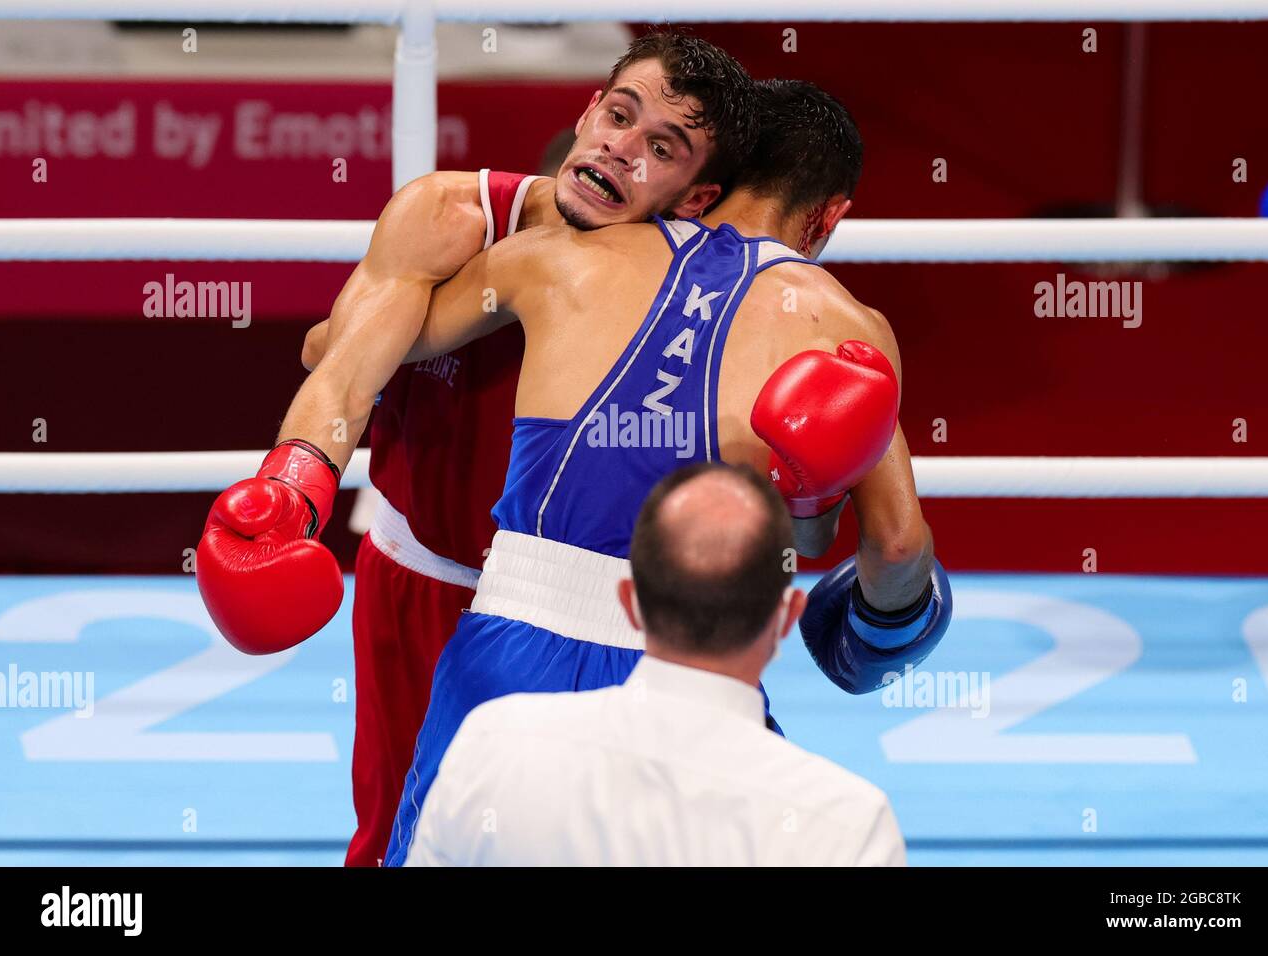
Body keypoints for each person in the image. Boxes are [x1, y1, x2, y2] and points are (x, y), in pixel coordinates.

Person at [195, 32, 759, 866]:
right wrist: (292, 490)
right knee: (399, 830)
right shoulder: (448, 215)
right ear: (586, 111)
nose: (620, 148)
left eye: (660, 148)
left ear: (693, 196)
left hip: (576, 608)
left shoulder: (696, 288)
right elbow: (343, 371)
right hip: (423, 570)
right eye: (618, 114)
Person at [384, 78, 950, 866]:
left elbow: (362, 344)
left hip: (507, 642)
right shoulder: (846, 330)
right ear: (829, 217)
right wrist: (879, 624)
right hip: (695, 668)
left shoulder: (574, 248)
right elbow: (895, 551)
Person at [405, 463, 907, 867]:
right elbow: (899, 544)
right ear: (786, 618)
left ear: (631, 601)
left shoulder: (490, 747)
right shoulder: (845, 824)